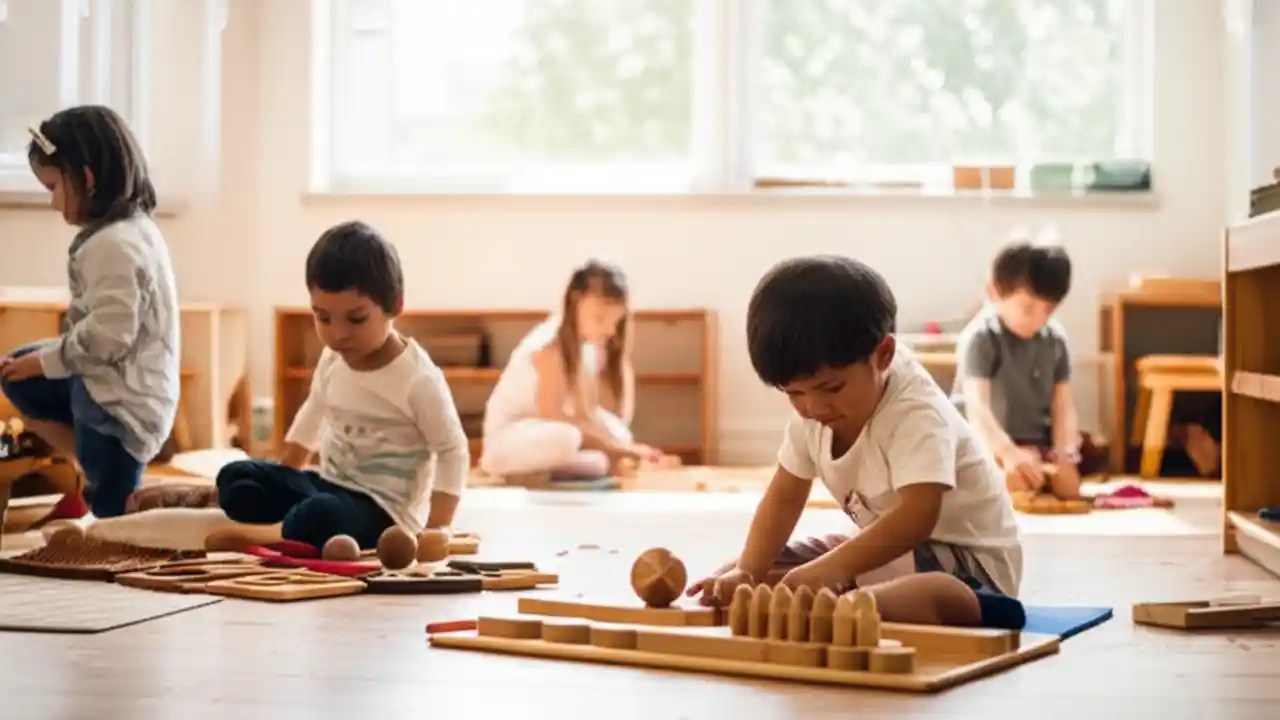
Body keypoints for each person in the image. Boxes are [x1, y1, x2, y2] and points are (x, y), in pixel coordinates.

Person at [687, 255, 1024, 629]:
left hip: (969, 570)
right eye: (793, 392)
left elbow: (918, 517)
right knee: (760, 571)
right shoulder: (815, 408)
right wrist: (748, 572)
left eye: (830, 388)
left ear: (882, 356)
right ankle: (843, 599)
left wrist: (828, 571)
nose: (812, 406)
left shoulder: (916, 411)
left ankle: (851, 604)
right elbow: (784, 495)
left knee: (932, 590)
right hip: (889, 557)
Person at [213, 221, 468, 549]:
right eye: (323, 318)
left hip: (384, 511)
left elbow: (452, 450)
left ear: (395, 306)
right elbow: (313, 413)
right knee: (236, 477)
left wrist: (438, 527)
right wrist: (284, 478)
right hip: (328, 485)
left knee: (321, 515)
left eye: (356, 319)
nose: (337, 333)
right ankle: (294, 524)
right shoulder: (333, 359)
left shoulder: (417, 380)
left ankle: (265, 537)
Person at [0, 106, 179, 519]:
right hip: (118, 384)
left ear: (88, 178)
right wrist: (37, 363)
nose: (52, 202)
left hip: (120, 405)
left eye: (53, 186)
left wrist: (44, 362)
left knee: (112, 523)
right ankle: (93, 465)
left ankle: (112, 485)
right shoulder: (130, 229)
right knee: (18, 372)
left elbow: (107, 338)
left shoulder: (113, 245)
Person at [480, 260, 674, 482]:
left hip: (544, 438)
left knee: (617, 432)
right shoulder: (550, 344)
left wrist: (620, 445)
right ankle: (546, 469)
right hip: (511, 440)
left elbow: (584, 414)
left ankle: (563, 469)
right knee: (568, 437)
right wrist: (619, 451)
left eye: (616, 322)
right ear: (574, 304)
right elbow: (553, 417)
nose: (609, 330)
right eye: (600, 319)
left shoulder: (587, 347)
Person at [951, 237, 1100, 500]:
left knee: (1069, 485)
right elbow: (977, 409)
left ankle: (1036, 475)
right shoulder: (983, 338)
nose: (1039, 319)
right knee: (1010, 480)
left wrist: (1064, 454)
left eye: (1049, 310)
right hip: (988, 445)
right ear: (995, 291)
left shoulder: (1054, 340)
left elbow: (1063, 405)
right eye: (1028, 308)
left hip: (1036, 450)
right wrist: (1007, 452)